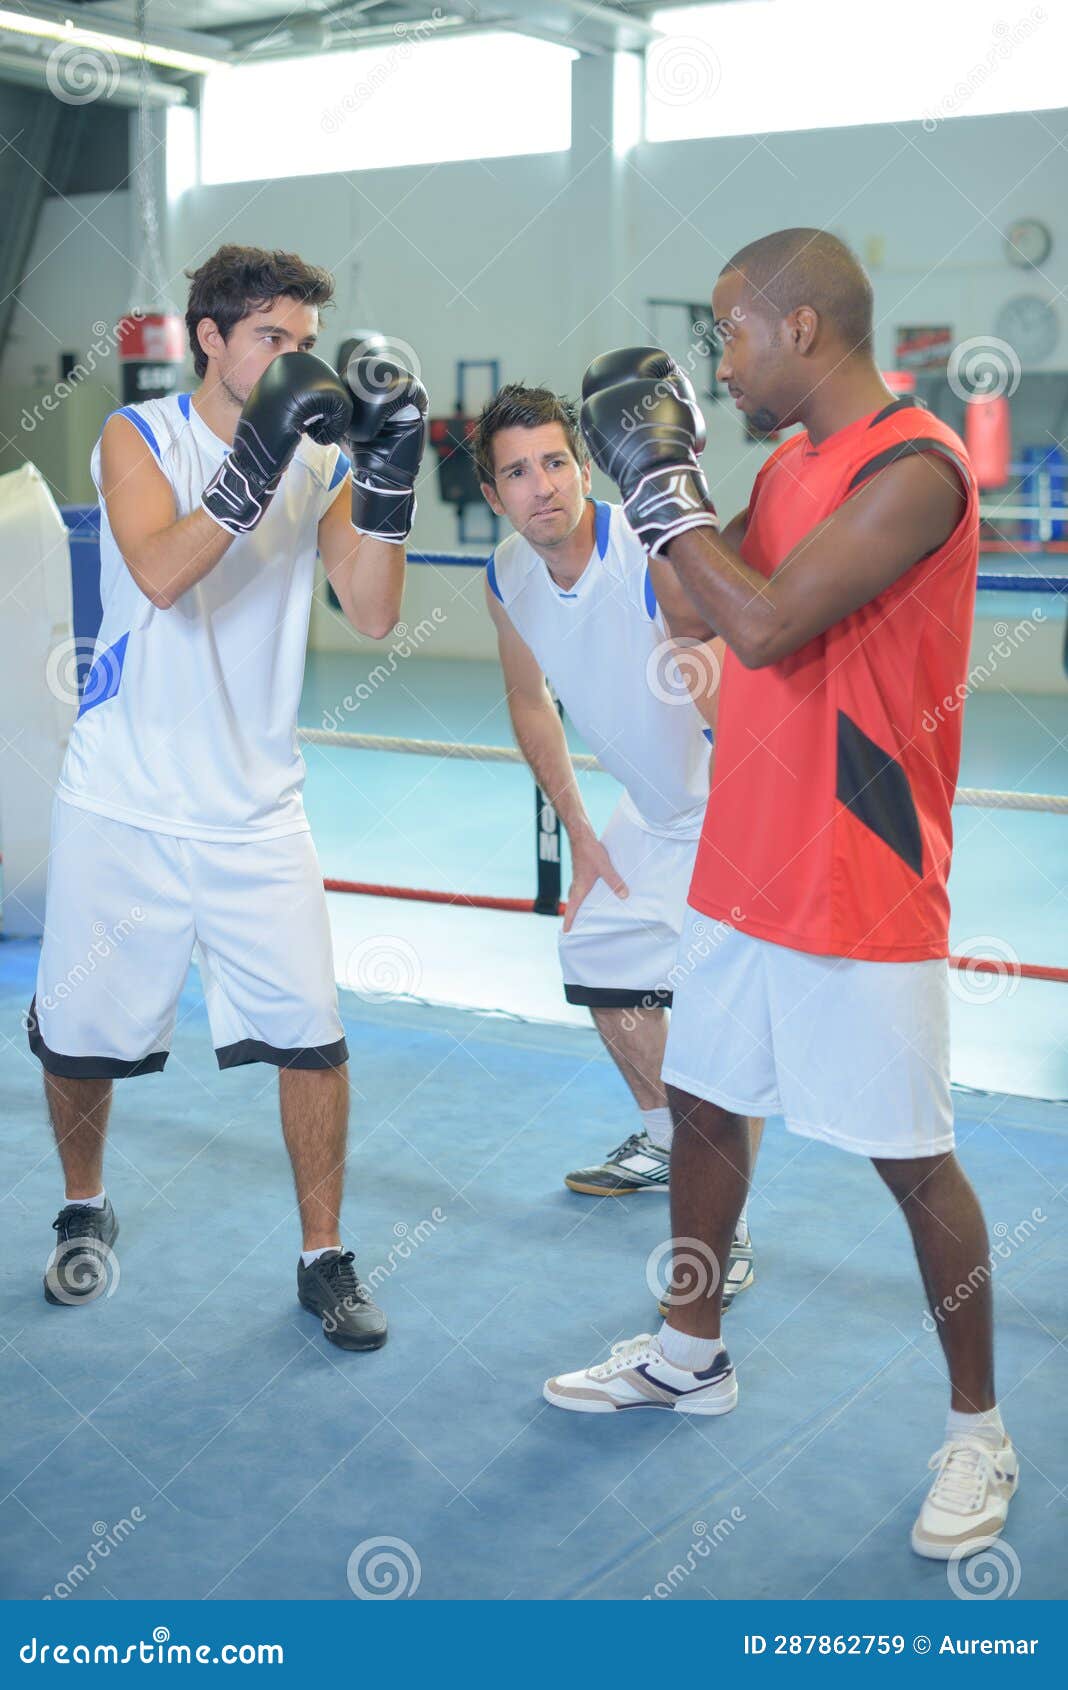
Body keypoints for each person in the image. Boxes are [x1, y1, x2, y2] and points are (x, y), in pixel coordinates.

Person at [545, 228, 1017, 1563]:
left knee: (911, 1160)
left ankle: (978, 1428)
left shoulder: (914, 466)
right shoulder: (785, 467)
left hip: (860, 870)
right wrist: (654, 485)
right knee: (704, 1103)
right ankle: (688, 1351)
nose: (722, 361)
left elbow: (763, 621)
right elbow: (691, 612)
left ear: (802, 326)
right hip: (744, 855)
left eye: (732, 333)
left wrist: (669, 491)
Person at [28, 244, 427, 1353]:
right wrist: (257, 462)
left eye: (305, 343)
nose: (295, 360)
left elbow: (375, 612)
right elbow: (160, 571)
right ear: (210, 338)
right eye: (271, 338)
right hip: (123, 798)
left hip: (257, 808)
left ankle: (323, 1257)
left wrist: (388, 482)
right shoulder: (138, 435)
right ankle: (82, 1201)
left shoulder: (320, 462)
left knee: (313, 1038)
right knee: (80, 1037)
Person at [476, 380, 762, 1308]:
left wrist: (765, 824)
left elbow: (728, 683)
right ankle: (669, 1140)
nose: (543, 486)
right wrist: (582, 832)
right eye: (518, 473)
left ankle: (723, 1221)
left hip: (729, 804)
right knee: (596, 951)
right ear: (492, 494)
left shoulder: (649, 549)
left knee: (718, 1022)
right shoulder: (508, 575)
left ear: (585, 467)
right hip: (651, 814)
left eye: (556, 462)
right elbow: (530, 702)